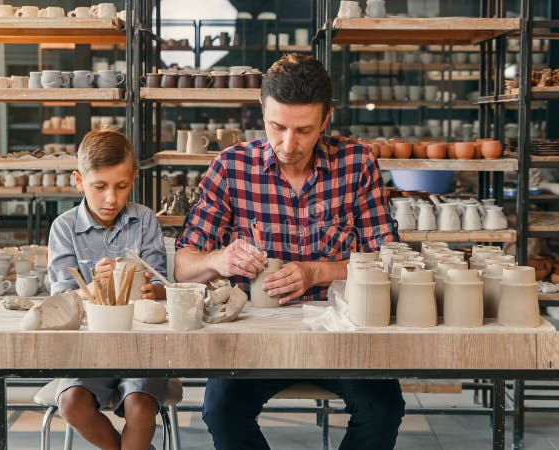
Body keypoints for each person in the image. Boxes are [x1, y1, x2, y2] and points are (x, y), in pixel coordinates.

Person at [174, 53, 404, 449]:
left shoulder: (357, 163)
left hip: (340, 328)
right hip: (257, 333)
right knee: (220, 409)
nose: (288, 144)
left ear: (326, 120)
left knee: (384, 408)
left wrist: (318, 272)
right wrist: (218, 259)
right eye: (277, 127)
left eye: (304, 130)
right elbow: (182, 266)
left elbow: (388, 260)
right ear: (261, 110)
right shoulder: (230, 167)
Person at [47, 129, 167, 450]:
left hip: (143, 351)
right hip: (88, 352)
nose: (111, 199)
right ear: (78, 180)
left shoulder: (144, 220)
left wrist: (153, 290)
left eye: (121, 186)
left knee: (140, 407)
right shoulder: (64, 228)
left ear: (134, 179)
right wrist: (91, 287)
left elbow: (160, 284)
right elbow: (61, 301)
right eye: (99, 187)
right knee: (71, 402)